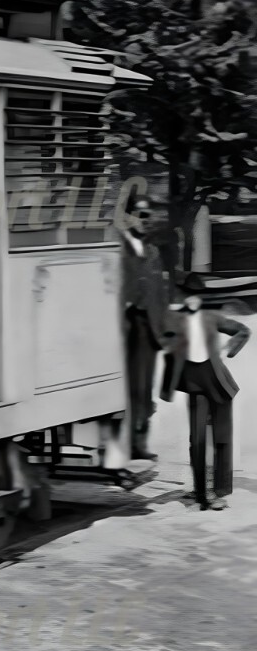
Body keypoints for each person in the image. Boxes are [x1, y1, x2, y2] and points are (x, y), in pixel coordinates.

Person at [159, 272, 249, 511]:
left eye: (196, 295)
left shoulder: (212, 317)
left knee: (221, 438)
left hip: (218, 383)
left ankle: (219, 489)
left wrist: (227, 349)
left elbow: (242, 330)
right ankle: (202, 493)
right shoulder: (173, 318)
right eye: (188, 295)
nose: (192, 299)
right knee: (198, 441)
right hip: (194, 385)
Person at [119, 197, 171, 460]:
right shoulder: (117, 249)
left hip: (148, 329)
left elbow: (161, 295)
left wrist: (164, 329)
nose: (146, 220)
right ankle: (124, 444)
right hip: (127, 327)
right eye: (141, 215)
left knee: (144, 389)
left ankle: (140, 443)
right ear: (128, 217)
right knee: (126, 388)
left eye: (148, 216)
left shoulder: (153, 252)